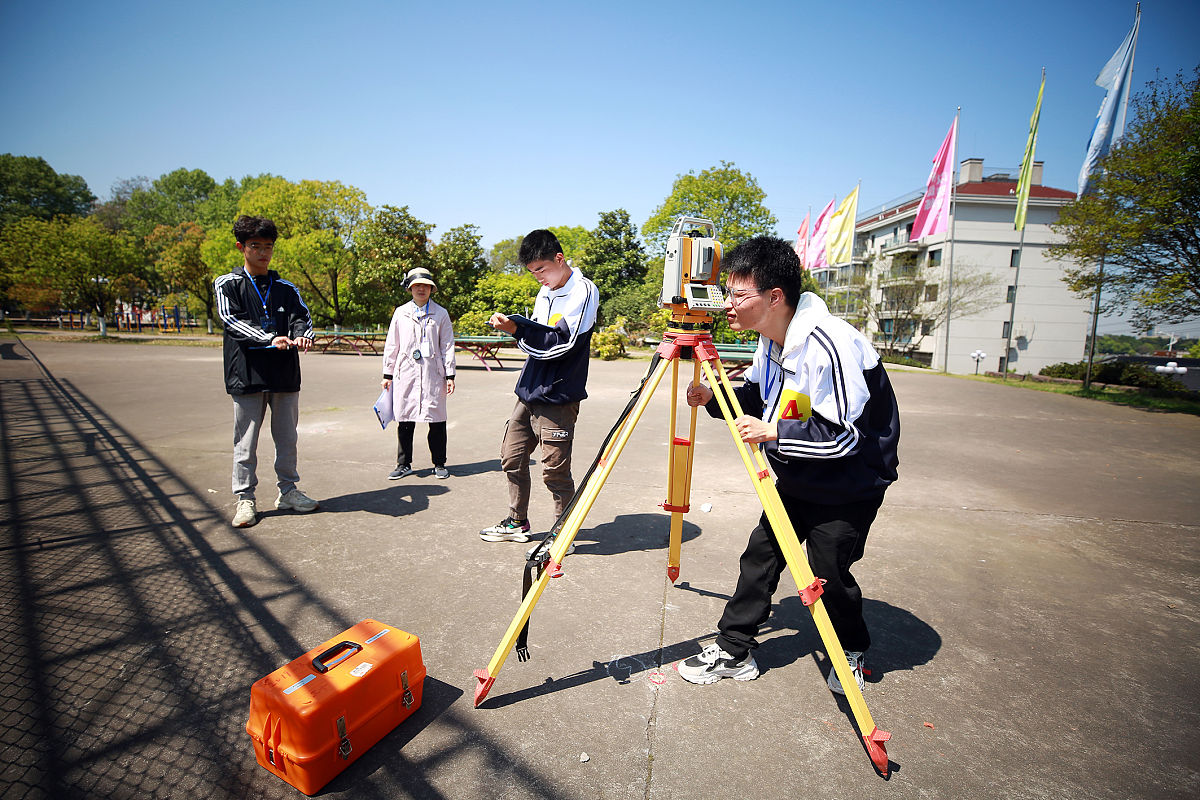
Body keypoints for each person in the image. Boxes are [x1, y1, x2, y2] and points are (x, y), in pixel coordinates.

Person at [675, 236, 899, 694]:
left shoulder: (828, 344)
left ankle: (851, 648)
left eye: (739, 296)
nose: (728, 306)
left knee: (828, 574)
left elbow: (846, 436)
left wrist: (775, 432)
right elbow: (758, 397)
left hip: (848, 484)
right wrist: (715, 397)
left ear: (774, 297)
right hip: (797, 473)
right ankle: (735, 648)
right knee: (760, 556)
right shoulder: (770, 340)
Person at [479, 229, 599, 543]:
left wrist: (518, 329)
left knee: (554, 471)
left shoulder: (583, 291)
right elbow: (537, 343)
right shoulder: (543, 292)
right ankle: (517, 522)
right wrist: (519, 330)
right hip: (530, 389)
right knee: (511, 456)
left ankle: (563, 534)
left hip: (559, 394)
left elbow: (563, 343)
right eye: (532, 273)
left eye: (541, 270)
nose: (538, 278)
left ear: (559, 258)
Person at [215, 214, 320, 528]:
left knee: (287, 438)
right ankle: (245, 498)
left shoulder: (286, 288)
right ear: (241, 247)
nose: (263, 252)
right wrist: (270, 337)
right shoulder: (227, 284)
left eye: (268, 246)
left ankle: (288, 491)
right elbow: (230, 320)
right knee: (245, 441)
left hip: (285, 374)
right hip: (246, 374)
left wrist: (303, 335)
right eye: (255, 246)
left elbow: (303, 317)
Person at [380, 267, 456, 479]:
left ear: (431, 289)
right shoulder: (400, 313)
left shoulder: (441, 314)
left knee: (437, 420)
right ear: (410, 288)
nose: (421, 289)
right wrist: (387, 373)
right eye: (417, 285)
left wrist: (450, 375)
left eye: (426, 285)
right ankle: (404, 463)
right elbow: (392, 344)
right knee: (405, 418)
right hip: (406, 372)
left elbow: (447, 345)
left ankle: (439, 463)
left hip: (434, 373)